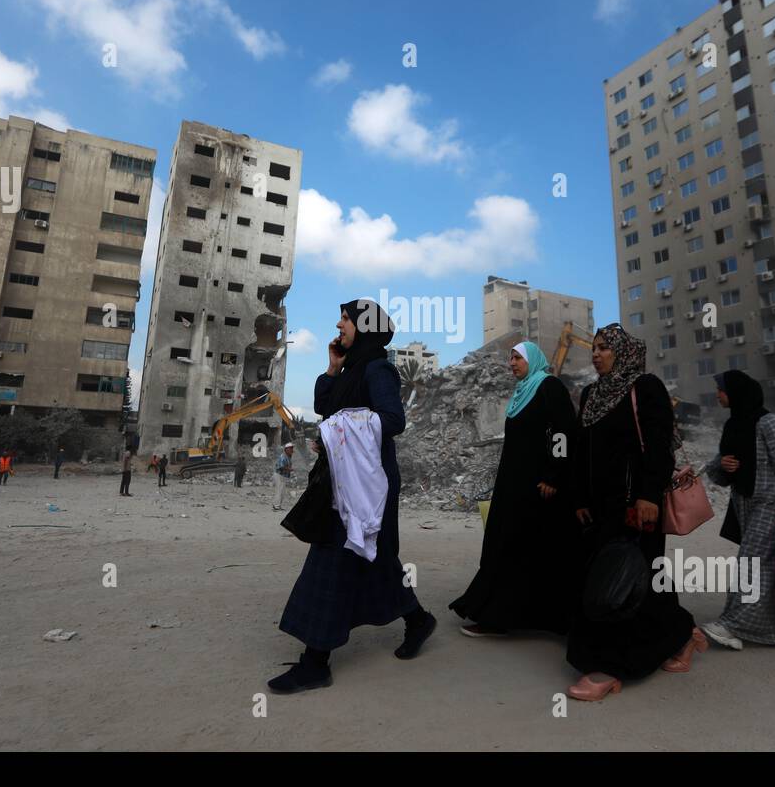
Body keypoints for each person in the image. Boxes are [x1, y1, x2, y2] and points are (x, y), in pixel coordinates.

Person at [271, 299, 436, 694]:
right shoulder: (351, 368)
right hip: (342, 480)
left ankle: (315, 663)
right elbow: (323, 406)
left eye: (346, 318)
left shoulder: (379, 368)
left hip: (366, 484)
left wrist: (343, 429)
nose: (339, 324)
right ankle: (417, 620)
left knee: (332, 558)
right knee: (374, 559)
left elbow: (393, 419)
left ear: (365, 326)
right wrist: (332, 367)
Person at [565, 324, 704, 702]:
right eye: (593, 348)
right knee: (630, 581)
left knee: (621, 582)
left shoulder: (645, 388)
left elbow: (659, 447)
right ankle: (682, 632)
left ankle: (607, 666)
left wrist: (648, 496)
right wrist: (578, 497)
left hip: (635, 507)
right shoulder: (592, 394)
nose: (596, 354)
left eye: (605, 348)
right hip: (598, 508)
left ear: (624, 352)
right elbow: (581, 450)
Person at [450, 340, 580, 636]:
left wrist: (554, 476)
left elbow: (563, 433)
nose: (511, 363)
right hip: (514, 485)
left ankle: (501, 617)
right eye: (510, 358)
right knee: (506, 546)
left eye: (517, 358)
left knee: (523, 548)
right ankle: (500, 614)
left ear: (532, 359)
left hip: (538, 487)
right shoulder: (522, 392)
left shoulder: (549, 386)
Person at [701, 370, 775, 650]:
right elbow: (719, 470)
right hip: (744, 504)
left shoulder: (769, 423)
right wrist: (725, 466)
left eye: (721, 390)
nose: (718, 394)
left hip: (770, 504)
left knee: (751, 562)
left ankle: (734, 626)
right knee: (766, 567)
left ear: (736, 391)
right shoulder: (733, 425)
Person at [272, 443, 294, 511]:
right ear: (286, 449)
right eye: (290, 448)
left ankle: (278, 506)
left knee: (282, 492)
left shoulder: (288, 456)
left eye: (292, 448)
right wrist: (289, 469)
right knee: (279, 491)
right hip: (279, 475)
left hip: (283, 476)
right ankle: (276, 506)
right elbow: (281, 466)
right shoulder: (283, 456)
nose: (291, 449)